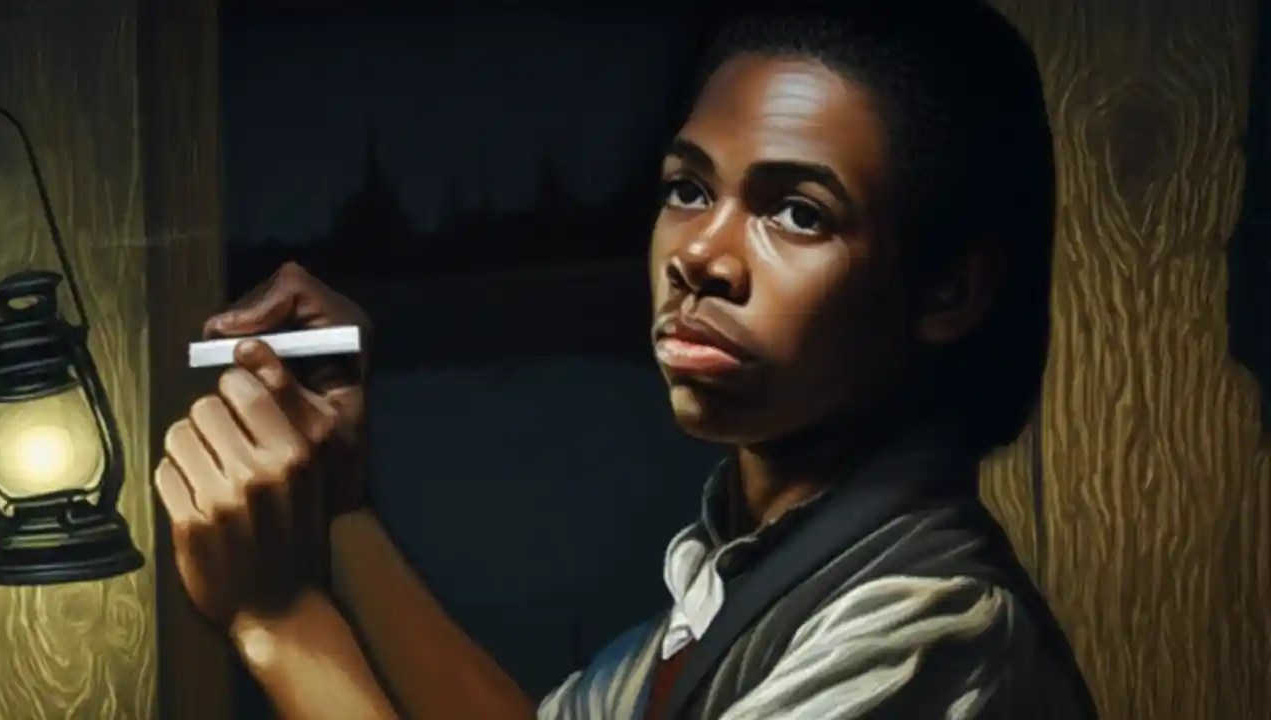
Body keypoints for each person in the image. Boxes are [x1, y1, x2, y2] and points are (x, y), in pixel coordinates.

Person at [153, 2, 1099, 718]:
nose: (700, 255)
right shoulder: (745, 568)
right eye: (689, 189)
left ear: (950, 291)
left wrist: (276, 621)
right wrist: (339, 508)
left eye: (798, 212)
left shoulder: (927, 630)